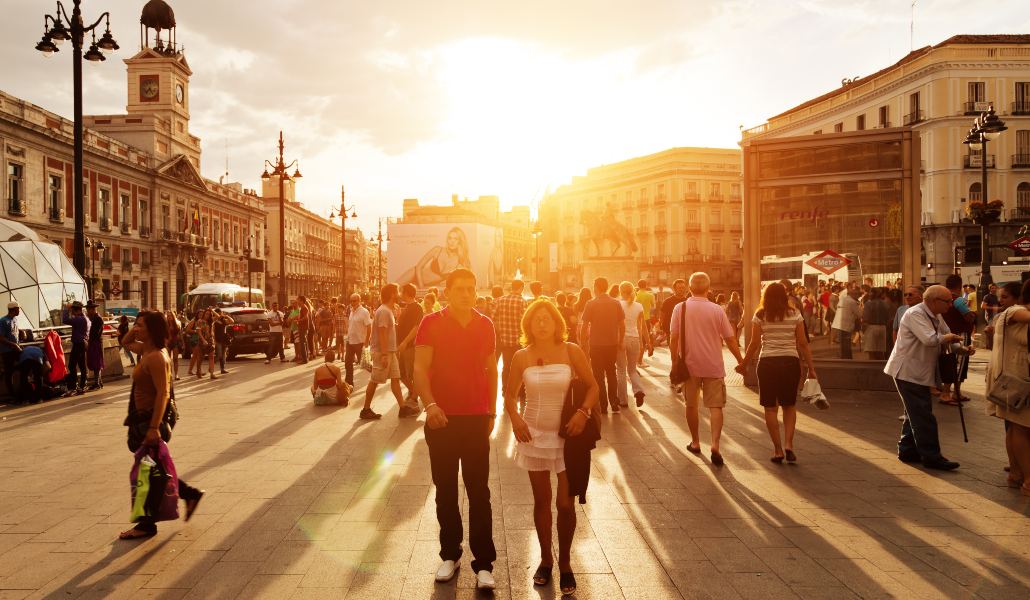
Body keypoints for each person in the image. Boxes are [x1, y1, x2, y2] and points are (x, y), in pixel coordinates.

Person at [505, 299, 598, 596]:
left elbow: (593, 386)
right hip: (533, 436)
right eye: (536, 319)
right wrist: (516, 419)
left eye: (547, 318)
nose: (542, 323)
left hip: (567, 435)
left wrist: (583, 413)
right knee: (542, 502)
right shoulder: (521, 356)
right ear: (528, 325)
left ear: (557, 322)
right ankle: (546, 559)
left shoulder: (572, 351)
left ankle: (566, 562)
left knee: (565, 503)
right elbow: (508, 396)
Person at [413, 268, 498, 590]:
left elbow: (491, 370)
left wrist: (492, 410)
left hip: (476, 417)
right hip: (441, 418)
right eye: (460, 288)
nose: (466, 293)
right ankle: (450, 554)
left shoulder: (484, 324)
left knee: (480, 492)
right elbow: (419, 369)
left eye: (471, 288)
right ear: (447, 292)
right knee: (446, 489)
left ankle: (484, 564)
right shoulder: (431, 323)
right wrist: (430, 405)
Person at [118, 311, 204, 540]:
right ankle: (190, 494)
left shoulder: (156, 356)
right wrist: (133, 328)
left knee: (147, 471)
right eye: (136, 325)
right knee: (153, 468)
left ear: (153, 330)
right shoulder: (145, 350)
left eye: (142, 326)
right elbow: (124, 342)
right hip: (143, 418)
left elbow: (163, 394)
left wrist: (154, 427)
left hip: (150, 419)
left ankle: (146, 525)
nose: (137, 329)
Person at [884, 285, 973, 471]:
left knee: (914, 412)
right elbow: (931, 339)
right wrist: (948, 337)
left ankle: (907, 450)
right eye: (947, 301)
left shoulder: (936, 315)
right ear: (934, 301)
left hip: (918, 371)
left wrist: (961, 349)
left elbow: (947, 338)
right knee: (923, 414)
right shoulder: (915, 314)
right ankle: (931, 456)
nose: (951, 304)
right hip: (908, 371)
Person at [670, 272, 744, 465]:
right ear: (708, 288)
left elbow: (673, 337)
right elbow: (730, 338)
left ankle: (695, 442)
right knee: (716, 406)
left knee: (691, 405)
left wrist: (674, 362)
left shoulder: (680, 308)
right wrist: (740, 360)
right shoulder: (717, 310)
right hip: (713, 365)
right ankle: (715, 445)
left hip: (689, 365)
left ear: (689, 287)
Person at [738, 283, 816, 463]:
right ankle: (789, 444)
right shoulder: (795, 314)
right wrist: (811, 369)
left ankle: (778, 450)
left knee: (770, 408)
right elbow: (803, 343)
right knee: (789, 405)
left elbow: (754, 344)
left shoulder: (760, 315)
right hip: (790, 362)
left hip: (768, 363)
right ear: (784, 296)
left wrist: (744, 363)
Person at [984, 281, 1028, 490]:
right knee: (1020, 427)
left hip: (1006, 377)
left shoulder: (1005, 315)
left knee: (1012, 426)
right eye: (1001, 297)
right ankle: (1027, 478)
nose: (1000, 301)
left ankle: (1016, 472)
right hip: (1016, 377)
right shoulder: (1016, 311)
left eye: (1005, 297)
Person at [361, 284, 420, 420]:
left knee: (395, 378)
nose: (399, 294)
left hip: (390, 351)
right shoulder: (383, 311)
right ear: (392, 294)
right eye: (397, 292)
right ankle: (365, 409)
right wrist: (383, 354)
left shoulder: (388, 310)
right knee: (374, 380)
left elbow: (389, 331)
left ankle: (402, 408)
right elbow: (382, 334)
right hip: (384, 352)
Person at [579, 277, 625, 414]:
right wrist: (620, 340)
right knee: (611, 372)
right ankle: (614, 401)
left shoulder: (591, 304)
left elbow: (584, 326)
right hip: (612, 344)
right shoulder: (616, 303)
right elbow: (622, 325)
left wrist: (583, 343)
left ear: (596, 287)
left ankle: (603, 405)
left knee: (598, 376)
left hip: (596, 344)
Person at [941, 275, 975, 404]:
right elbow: (968, 318)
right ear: (960, 285)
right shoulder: (958, 300)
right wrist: (973, 314)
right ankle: (948, 393)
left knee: (950, 361)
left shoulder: (943, 298)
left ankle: (954, 392)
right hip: (960, 334)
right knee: (959, 364)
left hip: (947, 334)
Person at [493, 280, 528, 397]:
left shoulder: (500, 300)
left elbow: (493, 318)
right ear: (521, 288)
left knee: (506, 367)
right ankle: (519, 391)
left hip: (504, 340)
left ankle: (505, 390)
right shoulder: (522, 301)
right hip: (518, 340)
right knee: (521, 367)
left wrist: (501, 330)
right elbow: (525, 321)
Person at [617, 281, 646, 407]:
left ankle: (623, 400)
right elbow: (641, 326)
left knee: (621, 371)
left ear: (621, 292)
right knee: (632, 370)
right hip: (635, 339)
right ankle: (638, 390)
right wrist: (646, 342)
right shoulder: (639, 306)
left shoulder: (618, 304)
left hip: (621, 339)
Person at [396, 283, 424, 410]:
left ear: (407, 293)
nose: (400, 294)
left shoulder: (417, 307)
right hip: (403, 346)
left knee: (410, 374)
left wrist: (405, 342)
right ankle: (414, 394)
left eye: (402, 292)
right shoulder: (407, 307)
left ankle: (414, 397)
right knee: (402, 374)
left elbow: (416, 327)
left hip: (410, 346)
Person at [63, 302, 90, 393]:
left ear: (76, 310)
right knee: (82, 365)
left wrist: (66, 308)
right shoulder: (84, 318)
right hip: (82, 343)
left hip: (78, 344)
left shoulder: (78, 319)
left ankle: (74, 386)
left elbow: (65, 320)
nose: (72, 312)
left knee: (72, 365)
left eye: (73, 310)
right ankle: (82, 385)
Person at [830, 284, 861, 359]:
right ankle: (847, 358)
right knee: (846, 343)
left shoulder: (842, 299)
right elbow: (859, 314)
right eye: (857, 295)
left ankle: (844, 357)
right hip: (845, 325)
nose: (858, 296)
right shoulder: (852, 302)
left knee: (843, 343)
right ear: (853, 295)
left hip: (838, 324)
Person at [862, 287, 891, 360]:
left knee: (871, 352)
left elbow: (865, 318)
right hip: (883, 328)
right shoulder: (885, 304)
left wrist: (863, 328)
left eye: (870, 293)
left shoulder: (868, 304)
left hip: (871, 327)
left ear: (873, 294)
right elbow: (888, 318)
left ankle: (872, 369)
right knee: (880, 351)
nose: (869, 294)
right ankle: (880, 368)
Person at [0, 301, 21, 396]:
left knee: (23, 367)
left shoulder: (15, 319)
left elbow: (13, 331)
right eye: (18, 308)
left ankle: (21, 391)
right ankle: (12, 395)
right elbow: (1, 337)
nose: (19, 310)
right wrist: (13, 345)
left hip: (16, 350)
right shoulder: (3, 321)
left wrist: (21, 332)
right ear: (14, 309)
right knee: (9, 373)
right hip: (7, 351)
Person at [659, 279, 688, 344]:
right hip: (671, 330)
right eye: (679, 288)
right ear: (674, 289)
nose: (681, 289)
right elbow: (662, 316)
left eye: (683, 288)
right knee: (673, 351)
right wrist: (661, 328)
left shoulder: (688, 302)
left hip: (685, 330)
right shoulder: (667, 302)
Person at [85, 301, 105, 390]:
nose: (87, 312)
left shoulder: (97, 319)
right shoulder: (94, 318)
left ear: (92, 310)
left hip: (96, 343)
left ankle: (97, 383)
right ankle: (99, 382)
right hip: (94, 342)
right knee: (96, 362)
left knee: (97, 363)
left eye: (88, 310)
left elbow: (95, 333)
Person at [635, 279, 656, 363]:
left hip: (635, 319)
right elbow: (653, 307)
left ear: (638, 285)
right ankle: (640, 360)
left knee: (636, 339)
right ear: (646, 285)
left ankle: (635, 359)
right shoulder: (650, 295)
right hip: (646, 318)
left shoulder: (635, 294)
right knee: (643, 340)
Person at [211, 308, 234, 375]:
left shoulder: (223, 320)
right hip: (218, 340)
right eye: (219, 313)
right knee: (219, 355)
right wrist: (214, 340)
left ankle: (222, 369)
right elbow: (213, 332)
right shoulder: (214, 322)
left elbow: (232, 321)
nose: (221, 314)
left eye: (221, 313)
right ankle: (211, 365)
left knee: (223, 355)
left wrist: (226, 316)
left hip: (224, 340)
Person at [982, 283, 1001, 350]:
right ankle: (989, 346)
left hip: (998, 316)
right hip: (990, 316)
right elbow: (983, 306)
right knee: (990, 331)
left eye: (995, 288)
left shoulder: (998, 297)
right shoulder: (987, 296)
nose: (994, 289)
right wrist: (993, 308)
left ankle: (994, 346)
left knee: (996, 331)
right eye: (992, 288)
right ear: (989, 289)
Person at [165, 311, 182, 380]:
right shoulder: (165, 324)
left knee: (175, 359)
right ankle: (170, 374)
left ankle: (176, 374)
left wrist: (182, 342)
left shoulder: (177, 323)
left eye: (171, 316)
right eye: (168, 316)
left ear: (173, 316)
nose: (169, 317)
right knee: (168, 360)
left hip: (175, 343)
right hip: (168, 343)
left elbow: (180, 333)